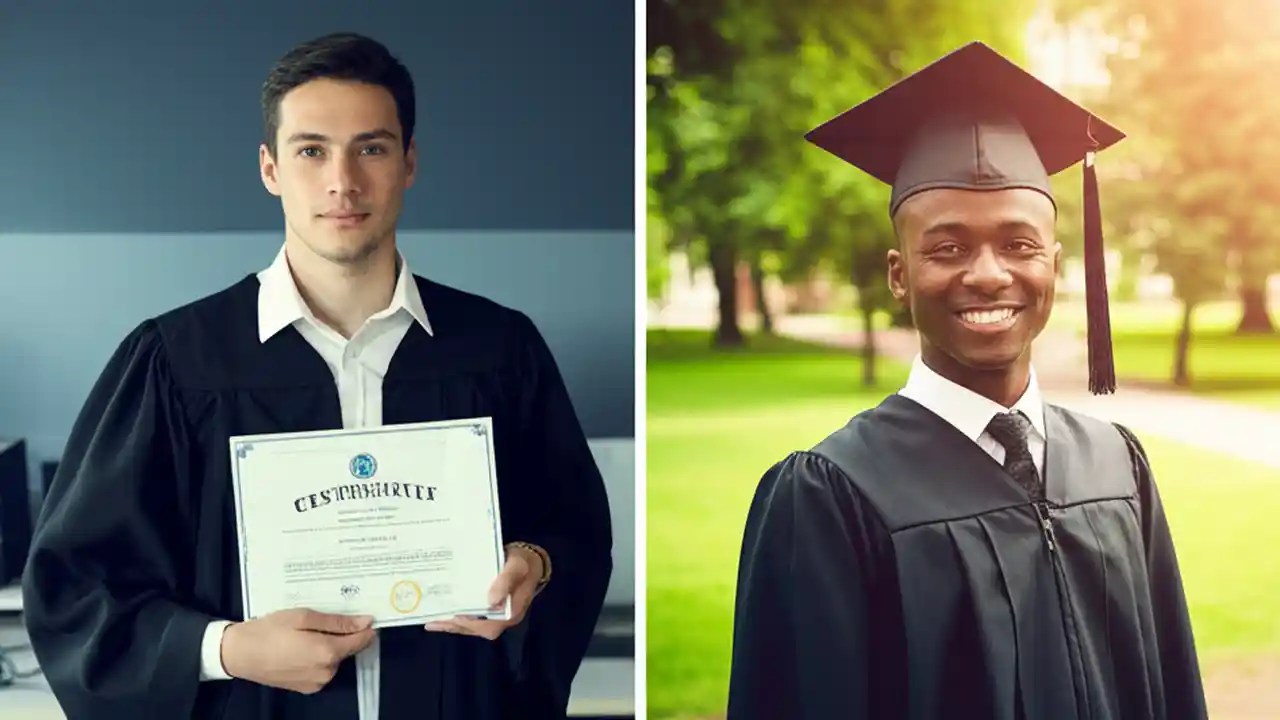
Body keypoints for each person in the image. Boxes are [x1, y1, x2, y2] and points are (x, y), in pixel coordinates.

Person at [23, 32, 612, 720]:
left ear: (409, 162)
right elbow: (76, 591)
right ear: (270, 168)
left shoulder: (499, 350)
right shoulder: (175, 363)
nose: (343, 181)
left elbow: (575, 531)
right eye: (312, 151)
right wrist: (228, 649)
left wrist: (534, 565)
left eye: (371, 148)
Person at [727, 42, 1206, 719]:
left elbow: (1173, 691)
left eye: (1019, 245)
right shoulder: (830, 496)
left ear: (1057, 266)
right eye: (947, 249)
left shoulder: (1117, 467)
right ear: (899, 275)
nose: (987, 274)